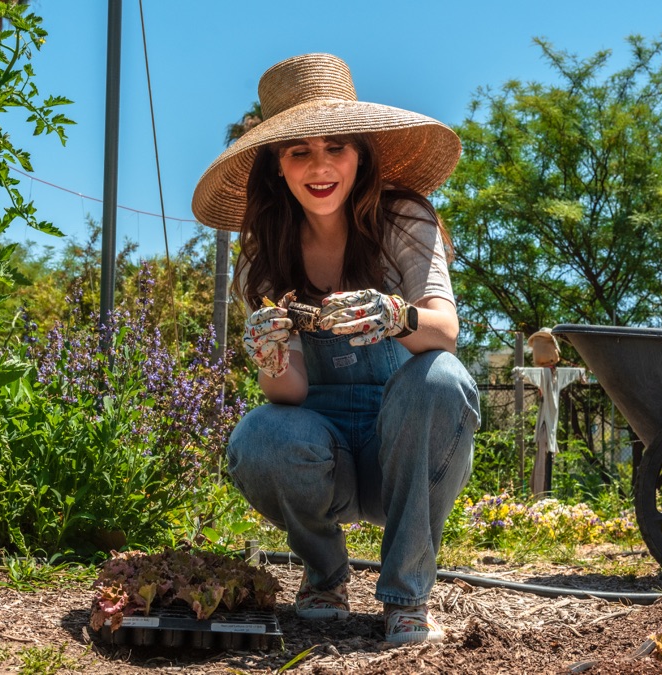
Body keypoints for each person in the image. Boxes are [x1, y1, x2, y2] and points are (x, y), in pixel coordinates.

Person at [192, 53, 480, 644]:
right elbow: (289, 392)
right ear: (278, 167)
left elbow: (445, 331)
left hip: (405, 440)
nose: (320, 166)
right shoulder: (266, 248)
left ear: (360, 154)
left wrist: (395, 315)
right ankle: (323, 574)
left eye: (337, 147)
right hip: (323, 446)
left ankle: (406, 594)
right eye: (300, 151)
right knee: (258, 436)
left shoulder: (404, 217)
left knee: (440, 377)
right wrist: (271, 355)